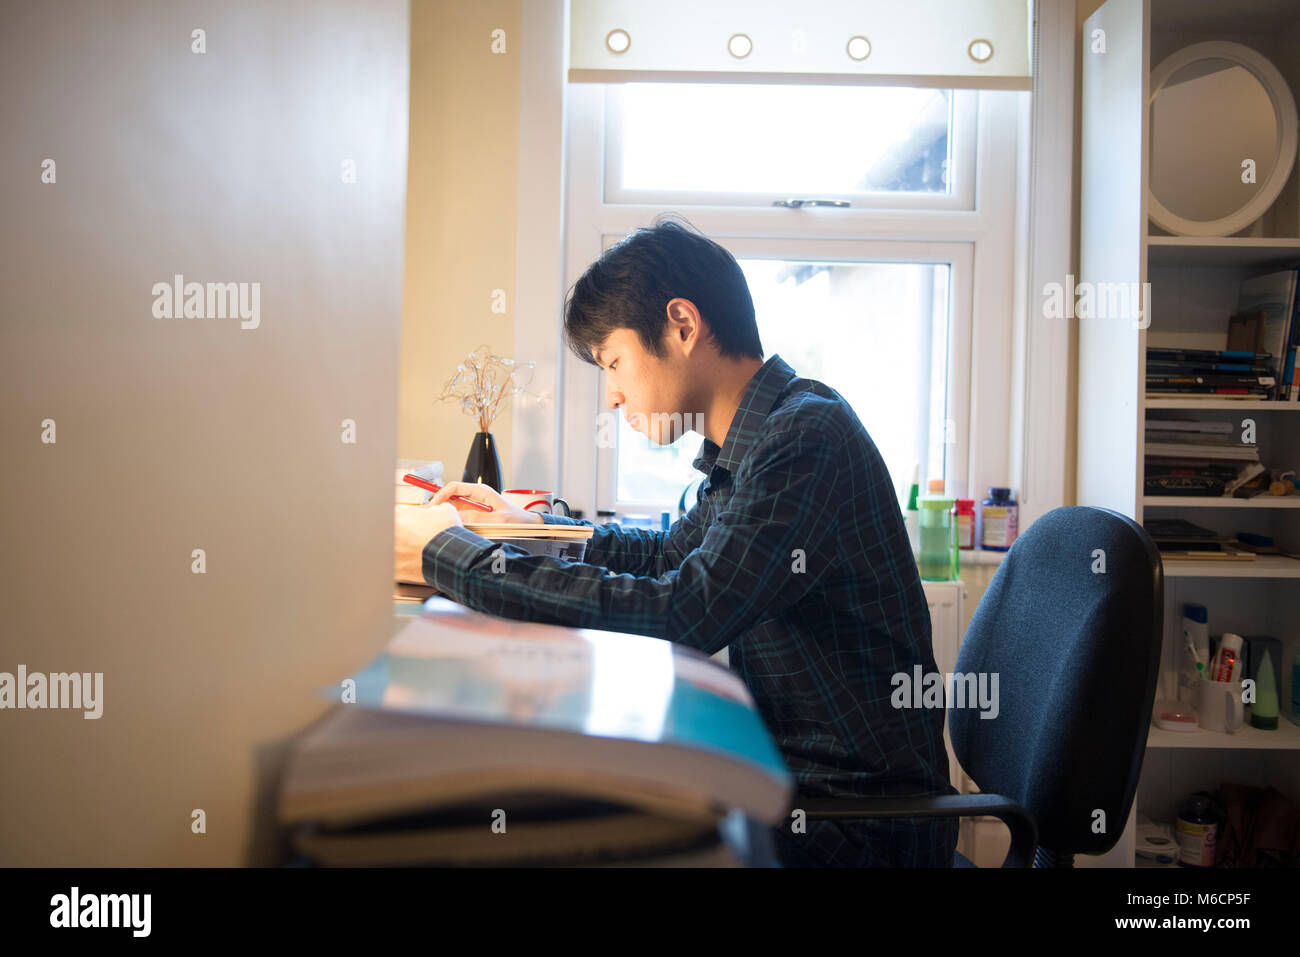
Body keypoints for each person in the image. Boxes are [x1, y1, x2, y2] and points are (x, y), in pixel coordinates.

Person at [394, 214, 957, 867]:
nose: (612, 396)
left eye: (614, 362)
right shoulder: (754, 441)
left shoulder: (805, 439)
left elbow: (684, 611)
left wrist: (446, 553)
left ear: (682, 325)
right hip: (793, 791)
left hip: (854, 828)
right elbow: (665, 555)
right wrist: (528, 529)